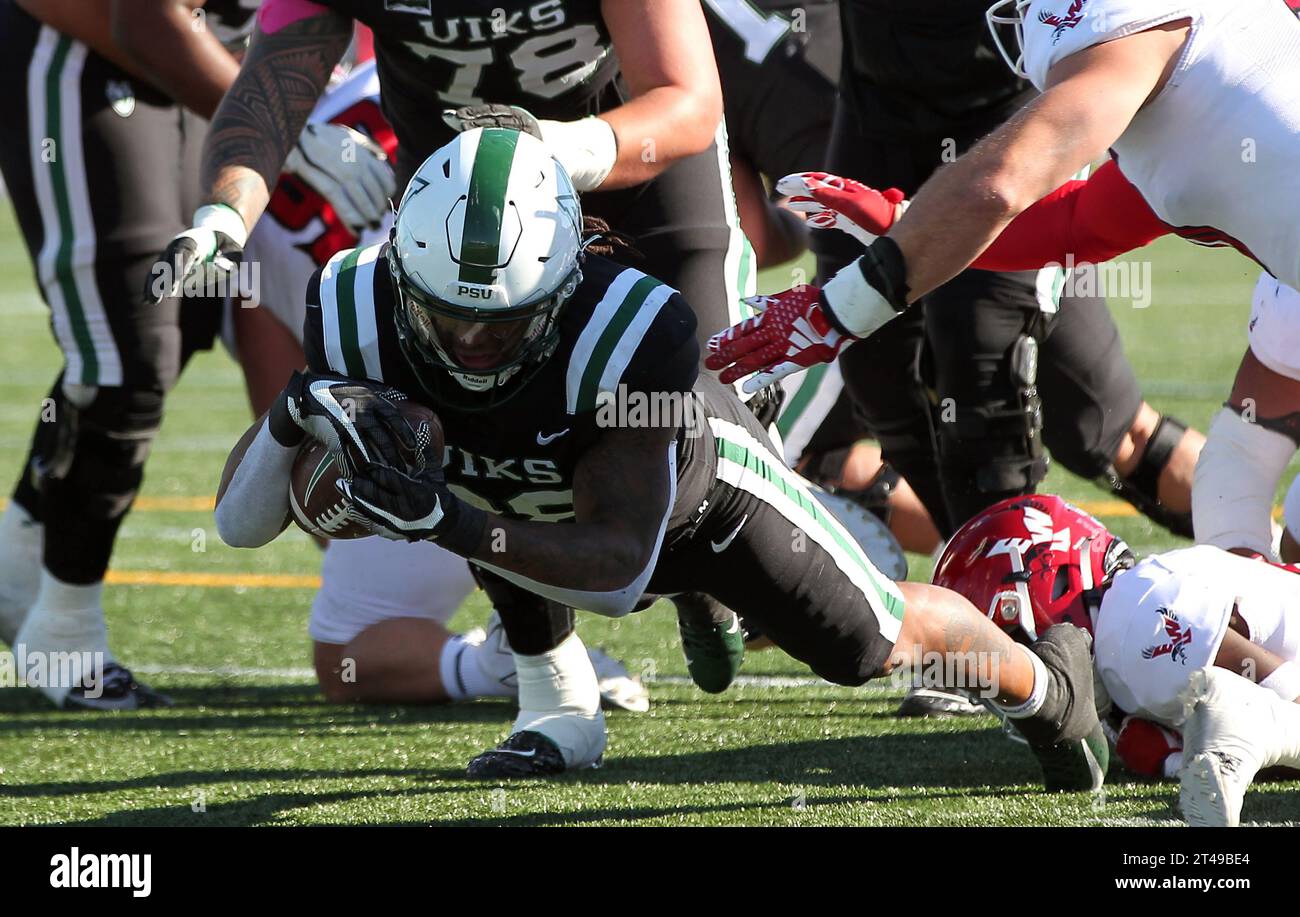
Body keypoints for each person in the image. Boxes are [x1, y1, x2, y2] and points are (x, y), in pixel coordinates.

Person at [214, 128, 1103, 785]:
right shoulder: (356, 306)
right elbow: (238, 525)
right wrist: (295, 411)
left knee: (867, 639)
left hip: (696, 501)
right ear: (403, 274)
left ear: (563, 287)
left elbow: (616, 565)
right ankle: (559, 709)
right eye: (446, 315)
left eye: (502, 321)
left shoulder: (630, 334)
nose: (471, 342)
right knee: (476, 462)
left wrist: (448, 520)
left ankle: (1047, 681)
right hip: (533, 498)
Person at [704, 0, 1300, 564]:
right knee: (1234, 480)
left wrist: (838, 310)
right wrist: (904, 221)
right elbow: (1070, 224)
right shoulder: (1185, 109)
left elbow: (1001, 184)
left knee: (1000, 401)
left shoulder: (1128, 41)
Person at [0, 0, 267, 707]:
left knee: (183, 317)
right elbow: (144, 18)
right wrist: (289, 128)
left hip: (213, 44)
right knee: (127, 346)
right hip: (83, 42)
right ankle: (64, 633)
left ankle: (22, 556)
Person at [933, 493, 1300, 826]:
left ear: (1054, 585)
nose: (1008, 685)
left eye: (1007, 650)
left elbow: (1285, 709)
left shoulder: (1132, 621)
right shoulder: (1126, 656)